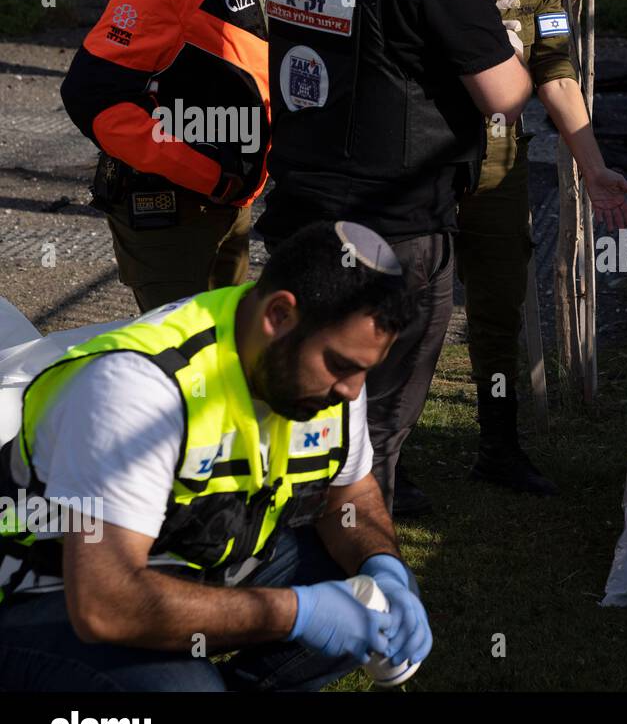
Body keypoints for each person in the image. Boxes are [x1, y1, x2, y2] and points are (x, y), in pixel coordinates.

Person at [0, 221, 433, 692]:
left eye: (364, 370)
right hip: (45, 595)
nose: (350, 391)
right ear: (279, 316)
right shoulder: (139, 388)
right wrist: (293, 613)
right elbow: (107, 603)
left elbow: (349, 493)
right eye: (340, 366)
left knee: (366, 594)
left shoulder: (328, 369)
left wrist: (382, 567)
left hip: (185, 557)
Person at [257, 0, 533, 517]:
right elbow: (503, 94)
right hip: (395, 225)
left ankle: (265, 535)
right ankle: (340, 566)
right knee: (370, 416)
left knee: (289, 388)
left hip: (297, 206)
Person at [61, 0, 327, 315]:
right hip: (171, 209)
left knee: (223, 353)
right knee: (176, 370)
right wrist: (208, 172)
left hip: (227, 200)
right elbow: (92, 94)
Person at [452, 0, 627, 495]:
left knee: (498, 307)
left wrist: (592, 164)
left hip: (499, 165)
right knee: (406, 309)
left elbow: (555, 69)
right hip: (428, 163)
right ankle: (381, 463)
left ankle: (498, 447)